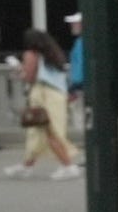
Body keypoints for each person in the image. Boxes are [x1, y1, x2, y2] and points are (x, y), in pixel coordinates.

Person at [5, 32, 77, 179]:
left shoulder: (31, 54)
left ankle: (68, 165)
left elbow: (30, 77)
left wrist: (19, 72)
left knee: (47, 131)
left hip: (43, 94)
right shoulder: (53, 55)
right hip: (57, 94)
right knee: (42, 131)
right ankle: (27, 166)